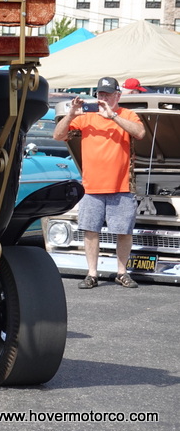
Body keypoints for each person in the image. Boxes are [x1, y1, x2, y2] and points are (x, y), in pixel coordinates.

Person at [53, 76, 146, 289]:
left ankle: (121, 272)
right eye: (100, 94)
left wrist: (112, 115)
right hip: (92, 186)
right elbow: (58, 136)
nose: (103, 98)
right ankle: (92, 274)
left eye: (108, 94)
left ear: (117, 96)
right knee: (90, 230)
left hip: (121, 185)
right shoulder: (86, 116)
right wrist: (71, 114)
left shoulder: (127, 114)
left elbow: (140, 133)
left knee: (124, 231)